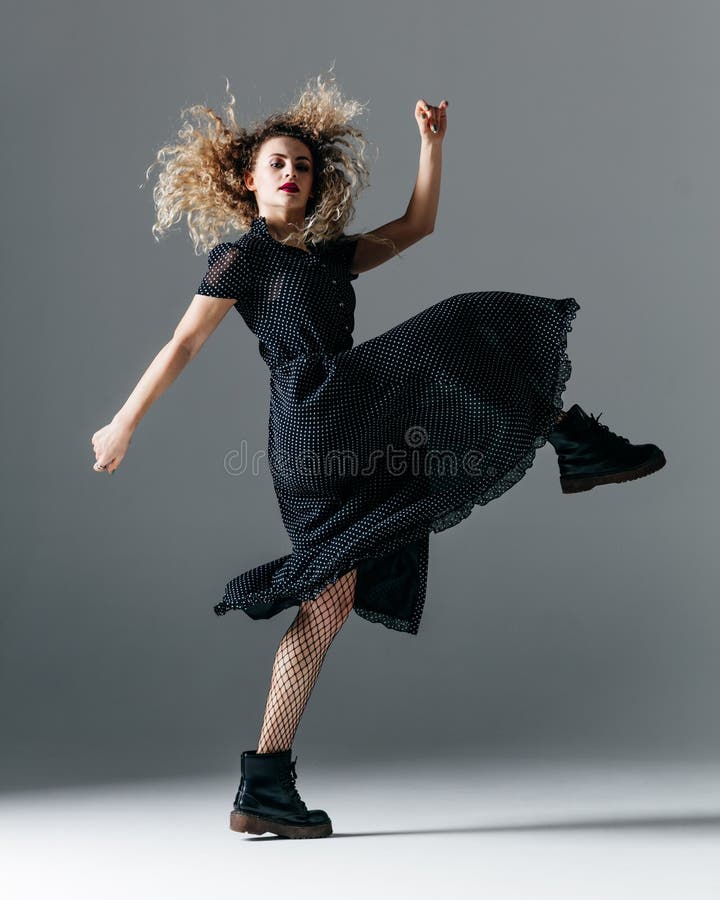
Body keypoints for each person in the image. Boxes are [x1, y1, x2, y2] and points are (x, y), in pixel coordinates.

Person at [90, 73, 666, 840]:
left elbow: (417, 225)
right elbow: (184, 341)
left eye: (302, 164)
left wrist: (431, 148)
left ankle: (264, 784)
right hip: (316, 418)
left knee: (327, 603)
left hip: (351, 413)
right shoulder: (244, 259)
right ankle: (572, 439)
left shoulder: (332, 258)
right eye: (276, 164)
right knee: (457, 328)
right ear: (247, 182)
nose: (292, 172)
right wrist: (122, 423)